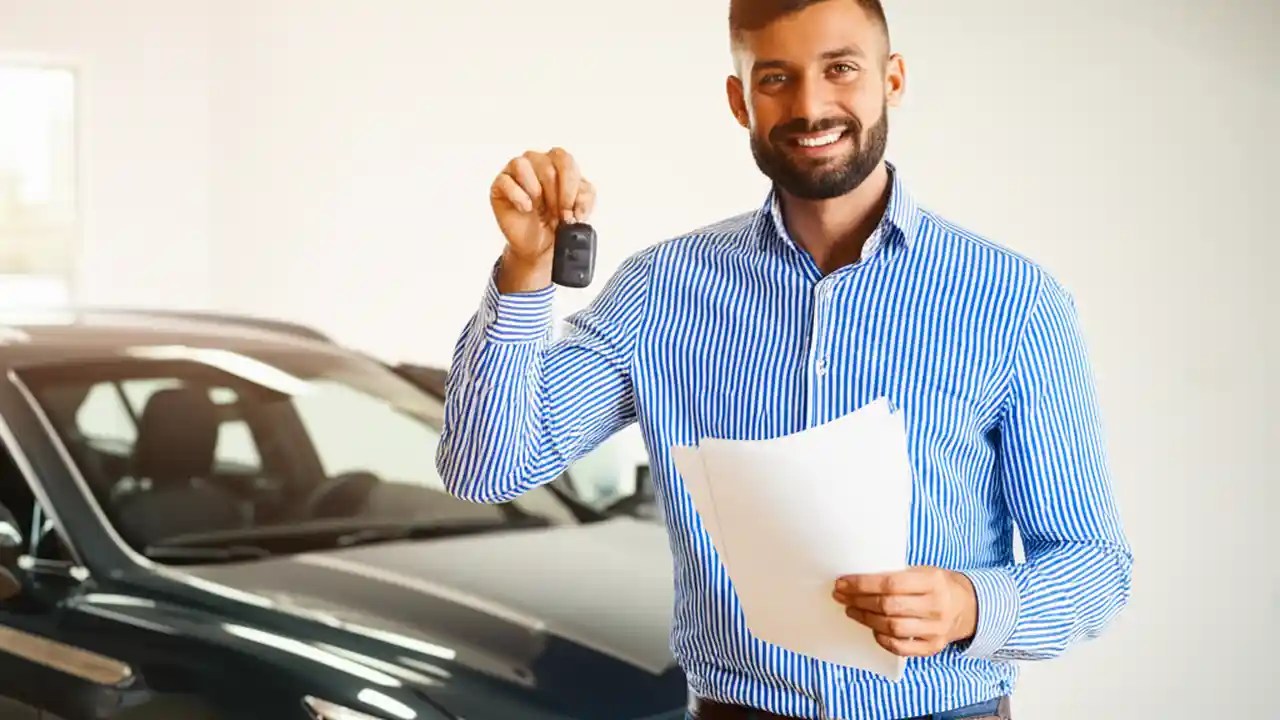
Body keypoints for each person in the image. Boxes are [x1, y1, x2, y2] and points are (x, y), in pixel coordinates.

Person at [434, 0, 1134, 718]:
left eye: (841, 68)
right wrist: (525, 271)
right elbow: (486, 467)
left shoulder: (1014, 301)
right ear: (740, 100)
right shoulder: (662, 291)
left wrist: (968, 606)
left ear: (891, 79)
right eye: (776, 78)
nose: (810, 105)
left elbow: (1095, 564)